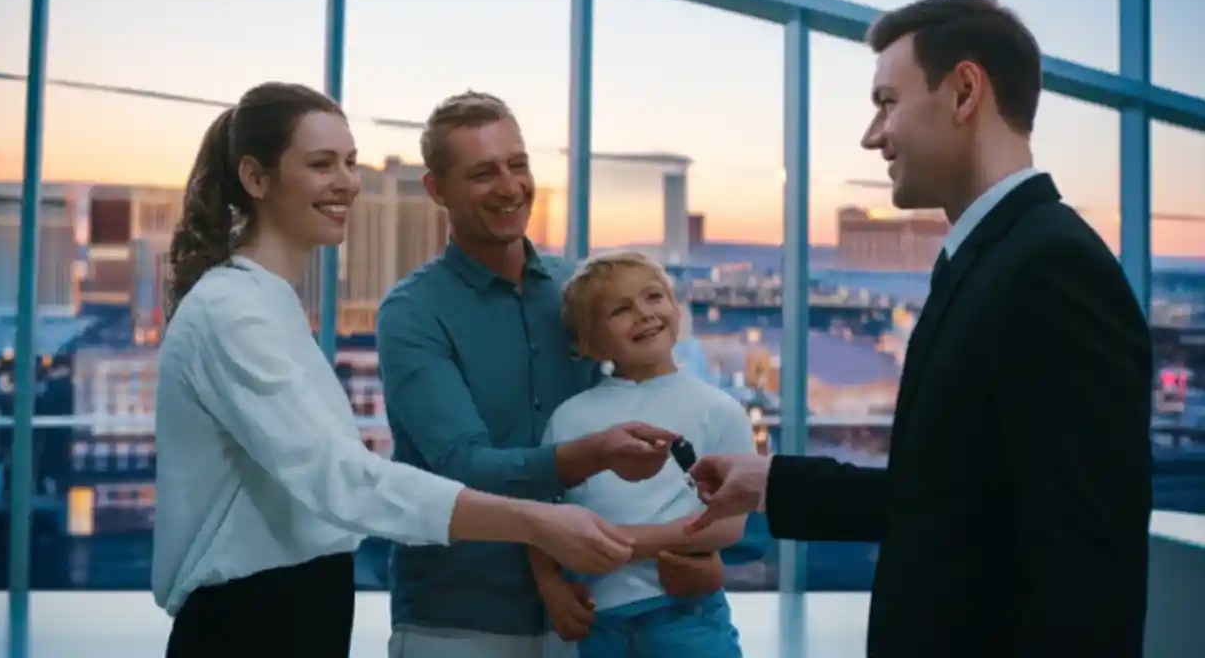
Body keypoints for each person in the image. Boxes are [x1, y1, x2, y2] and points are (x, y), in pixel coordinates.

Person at [685, 0, 1153, 657]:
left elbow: (1086, 568)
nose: (872, 135)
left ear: (964, 91)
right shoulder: (995, 257)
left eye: (886, 102)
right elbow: (953, 497)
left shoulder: (1051, 268)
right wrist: (772, 484)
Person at [151, 82, 641, 658]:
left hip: (297, 607)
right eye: (321, 164)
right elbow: (345, 480)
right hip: (249, 618)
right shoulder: (232, 311)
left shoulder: (270, 303)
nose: (348, 183)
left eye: (350, 162)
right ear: (256, 179)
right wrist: (536, 522)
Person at [377, 91, 724, 657]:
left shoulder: (579, 294)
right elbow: (463, 468)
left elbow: (653, 415)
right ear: (438, 191)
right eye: (484, 173)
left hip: (593, 615)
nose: (510, 186)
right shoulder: (413, 314)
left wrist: (706, 560)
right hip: (460, 620)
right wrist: (593, 452)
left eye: (518, 164)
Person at [530, 250, 754, 657]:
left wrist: (627, 543)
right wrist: (549, 585)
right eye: (621, 310)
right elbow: (541, 513)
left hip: (687, 614)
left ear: (674, 306)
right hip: (599, 623)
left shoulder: (719, 410)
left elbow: (730, 525)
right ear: (591, 343)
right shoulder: (570, 418)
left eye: (654, 297)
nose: (644, 314)